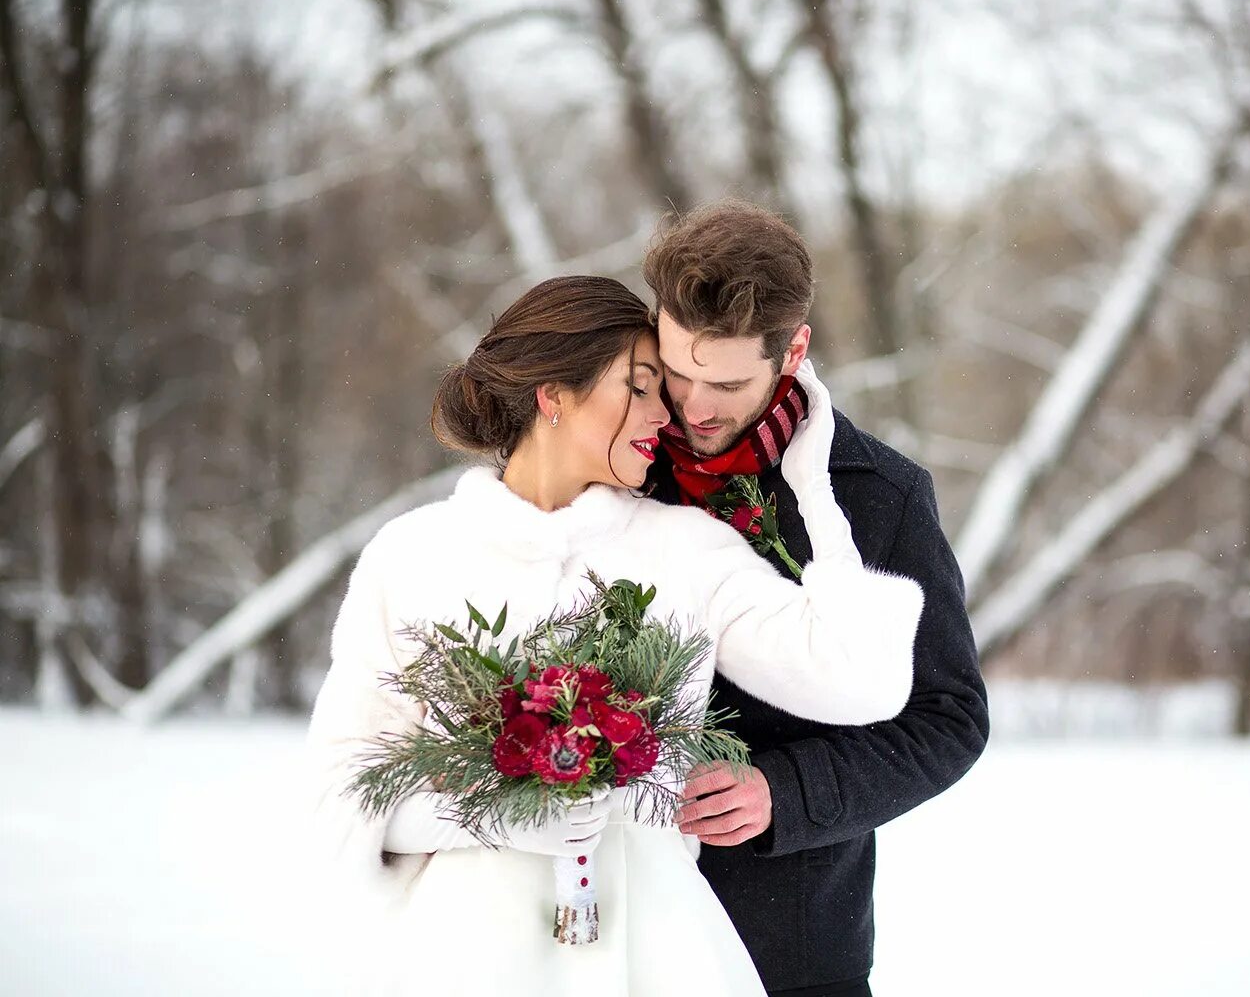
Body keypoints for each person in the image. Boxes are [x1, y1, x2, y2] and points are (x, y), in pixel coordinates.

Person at [305, 275, 924, 997]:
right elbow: (344, 803)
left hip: (657, 957)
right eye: (639, 386)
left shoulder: (688, 548)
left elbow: (860, 683)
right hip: (465, 959)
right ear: (553, 396)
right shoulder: (411, 557)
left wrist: (814, 484)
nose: (667, 412)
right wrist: (494, 815)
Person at [642, 202, 990, 997]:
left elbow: (949, 718)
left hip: (791, 952)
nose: (693, 406)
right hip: (615, 942)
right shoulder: (612, 465)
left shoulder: (881, 497)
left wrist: (786, 792)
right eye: (677, 372)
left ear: (793, 351)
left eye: (727, 383)